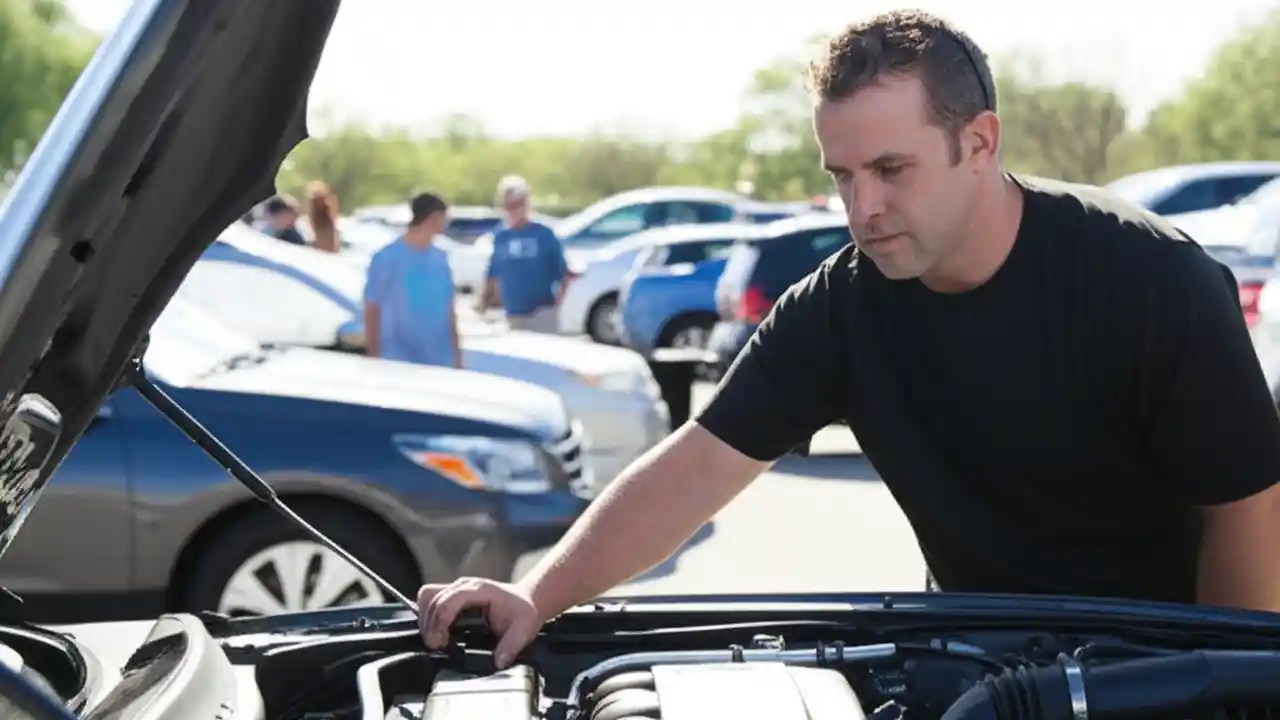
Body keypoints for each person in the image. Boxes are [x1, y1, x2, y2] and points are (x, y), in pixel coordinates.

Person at [416, 9, 1280, 667]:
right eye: (842, 176)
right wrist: (539, 593)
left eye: (891, 170)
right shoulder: (844, 306)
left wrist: (1225, 685)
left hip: (1162, 663)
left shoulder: (1150, 282)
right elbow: (698, 466)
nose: (861, 209)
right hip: (976, 664)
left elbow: (1247, 519)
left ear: (978, 141)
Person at [363, 192, 462, 369]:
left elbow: (450, 310)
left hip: (438, 360)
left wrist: (457, 356)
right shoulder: (386, 258)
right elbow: (372, 308)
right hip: (397, 360)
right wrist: (373, 353)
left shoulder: (440, 259)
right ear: (433, 217)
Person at [481, 175, 568, 332]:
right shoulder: (500, 238)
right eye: (509, 205)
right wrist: (484, 304)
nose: (513, 209)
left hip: (542, 313)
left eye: (518, 203)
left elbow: (563, 273)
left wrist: (558, 303)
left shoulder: (544, 235)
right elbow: (492, 275)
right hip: (514, 315)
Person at [306, 180, 342, 253]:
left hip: (326, 228)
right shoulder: (315, 204)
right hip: (321, 229)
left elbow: (334, 216)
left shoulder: (328, 202)